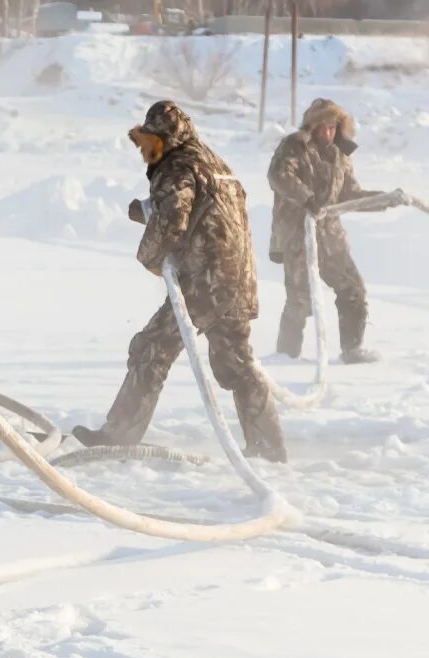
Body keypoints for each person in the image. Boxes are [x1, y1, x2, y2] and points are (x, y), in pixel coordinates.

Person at [73, 101, 287, 463]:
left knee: (151, 348)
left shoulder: (175, 167)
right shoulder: (213, 162)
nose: (145, 149)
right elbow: (204, 211)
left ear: (166, 139)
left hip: (205, 281)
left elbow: (174, 222)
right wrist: (148, 210)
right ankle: (269, 447)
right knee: (236, 361)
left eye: (151, 140)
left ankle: (119, 437)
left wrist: (149, 256)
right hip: (237, 279)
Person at [268, 98, 386, 364]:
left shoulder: (340, 154)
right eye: (322, 128)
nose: (328, 133)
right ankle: (286, 357)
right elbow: (279, 176)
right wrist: (307, 198)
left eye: (332, 127)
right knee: (300, 300)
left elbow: (349, 194)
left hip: (331, 237)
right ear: (311, 127)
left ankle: (352, 350)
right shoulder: (293, 147)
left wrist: (381, 200)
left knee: (353, 288)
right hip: (299, 234)